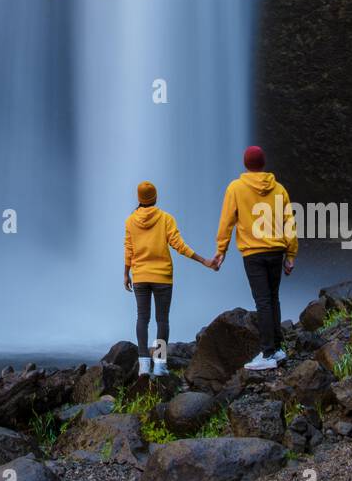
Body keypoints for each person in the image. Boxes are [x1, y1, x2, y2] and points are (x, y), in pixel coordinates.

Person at [211, 146, 298, 371]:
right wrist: (290, 254)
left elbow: (227, 221)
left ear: (245, 163)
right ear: (263, 163)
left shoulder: (236, 188)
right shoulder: (279, 189)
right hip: (276, 250)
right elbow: (289, 222)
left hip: (254, 253)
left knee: (263, 300)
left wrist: (221, 250)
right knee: (273, 298)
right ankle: (277, 348)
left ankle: (268, 353)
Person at [124, 180, 215, 377]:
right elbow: (179, 245)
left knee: (142, 318)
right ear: (155, 197)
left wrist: (126, 273)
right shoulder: (166, 218)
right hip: (162, 277)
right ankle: (160, 364)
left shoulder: (130, 221)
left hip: (140, 276)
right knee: (162, 320)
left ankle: (144, 366)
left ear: (139, 199)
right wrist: (202, 260)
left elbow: (128, 249)